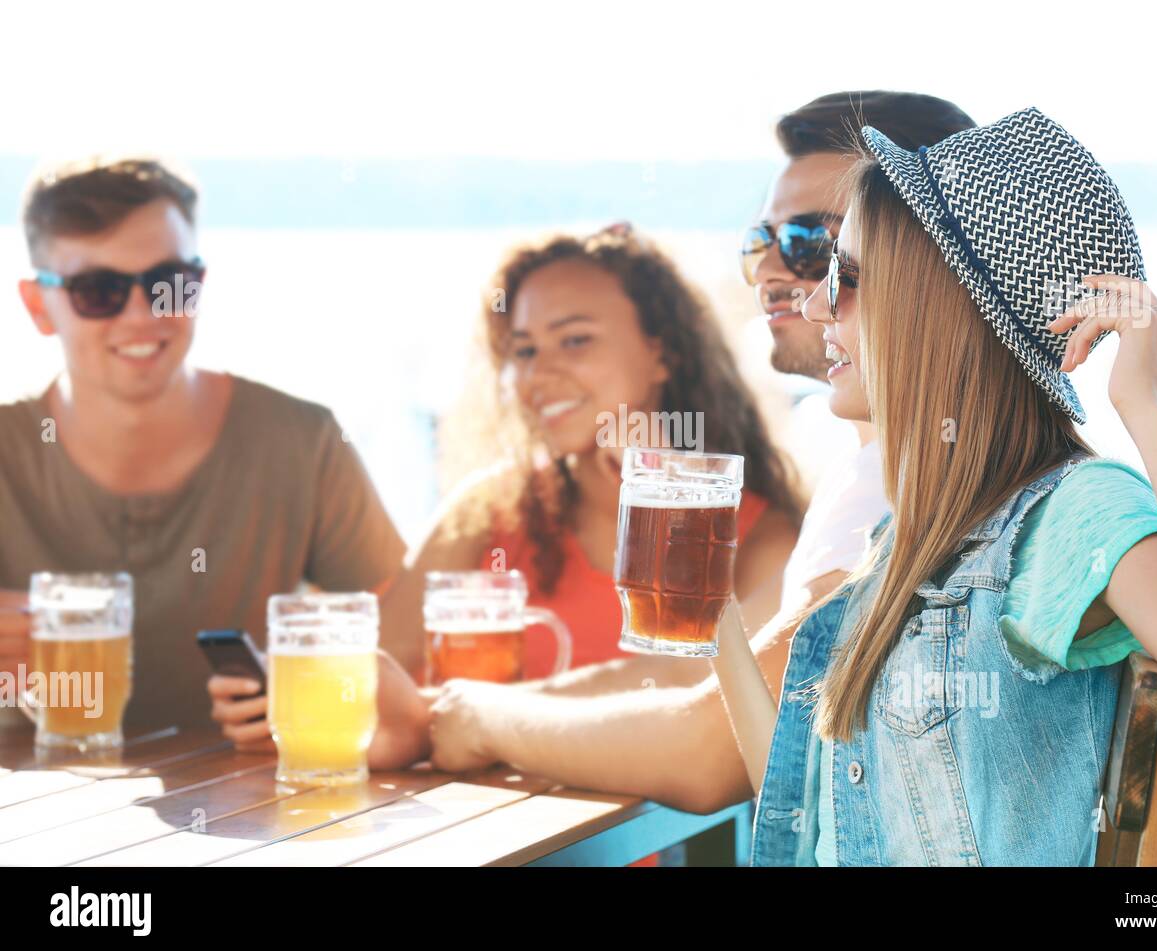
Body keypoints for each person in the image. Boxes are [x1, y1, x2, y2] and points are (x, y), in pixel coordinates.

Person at [708, 108, 1157, 866]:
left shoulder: (1071, 512)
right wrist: (712, 620)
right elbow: (824, 831)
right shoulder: (913, 537)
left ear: (943, 306)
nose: (820, 304)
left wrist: (1148, 409)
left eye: (848, 277)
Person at [359, 93, 977, 810]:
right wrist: (459, 709)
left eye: (815, 243)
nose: (773, 275)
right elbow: (686, 673)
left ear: (927, 254)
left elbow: (716, 748)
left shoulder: (914, 492)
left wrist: (471, 719)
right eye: (758, 244)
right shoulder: (867, 475)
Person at [210, 223, 805, 750]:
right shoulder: (489, 509)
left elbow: (703, 699)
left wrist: (469, 718)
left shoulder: (761, 540)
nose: (539, 374)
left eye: (575, 340)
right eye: (523, 350)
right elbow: (377, 676)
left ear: (662, 353)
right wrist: (295, 701)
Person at [0, 155, 409, 732]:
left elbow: (402, 634)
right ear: (39, 305)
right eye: (99, 291)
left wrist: (310, 693)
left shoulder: (302, 442)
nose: (143, 316)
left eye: (167, 285)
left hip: (254, 811)